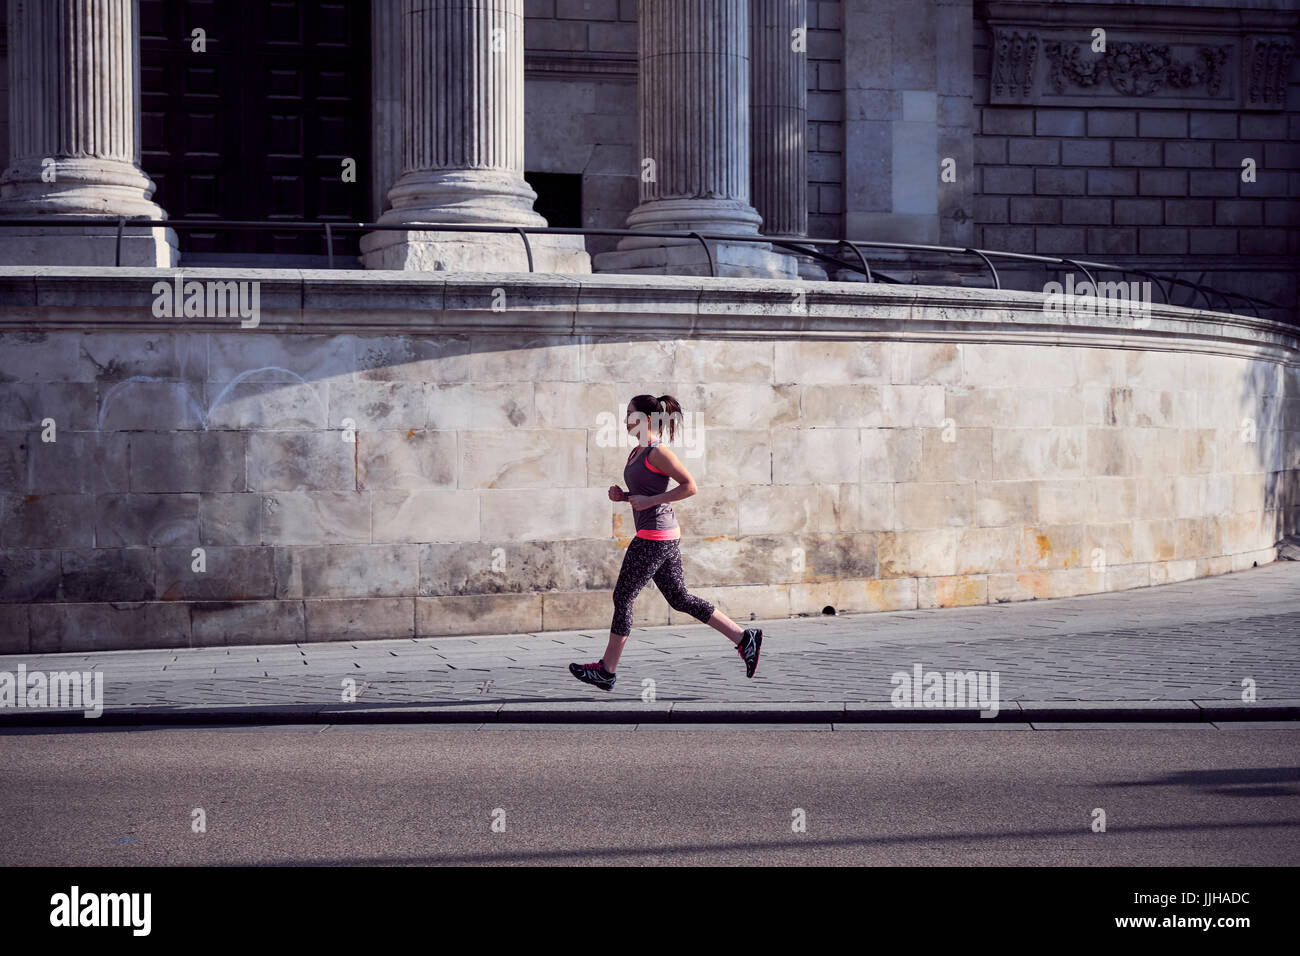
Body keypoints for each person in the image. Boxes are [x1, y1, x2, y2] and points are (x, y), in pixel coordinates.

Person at [569, 393, 763, 692]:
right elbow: (643, 495)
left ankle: (606, 670)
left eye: (630, 414)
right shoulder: (637, 452)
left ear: (647, 419)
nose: (624, 420)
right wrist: (623, 496)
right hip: (661, 535)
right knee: (680, 598)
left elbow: (690, 486)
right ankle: (743, 638)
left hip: (655, 537)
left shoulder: (658, 452)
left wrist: (651, 501)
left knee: (623, 598)